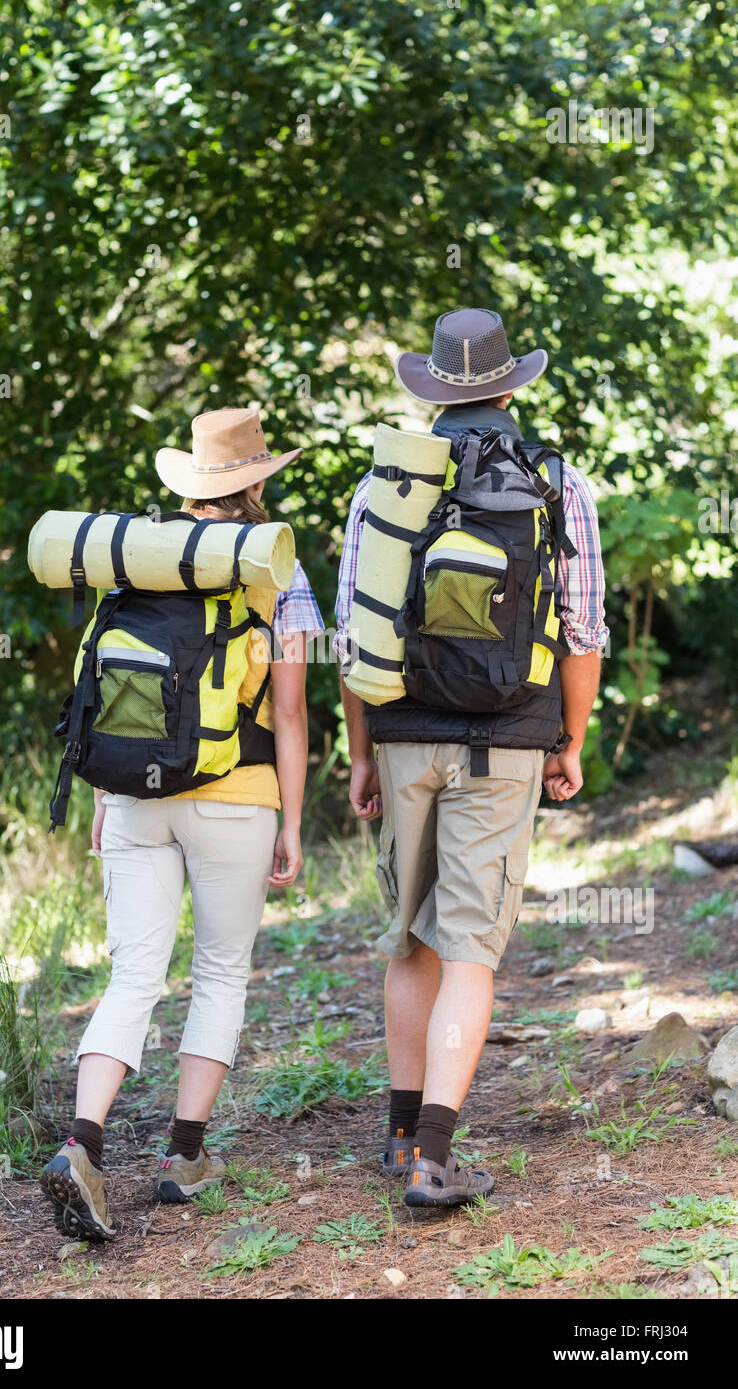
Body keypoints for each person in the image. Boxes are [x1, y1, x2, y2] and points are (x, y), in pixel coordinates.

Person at [335, 308, 608, 1207]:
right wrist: (569, 738)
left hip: (402, 733)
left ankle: (402, 1136)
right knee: (470, 952)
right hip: (507, 739)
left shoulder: (383, 488)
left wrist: (361, 754)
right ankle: (436, 1163)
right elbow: (582, 630)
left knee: (411, 941)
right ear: (510, 384)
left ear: (432, 392)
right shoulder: (557, 484)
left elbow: (355, 637)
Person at [41, 407, 323, 1239]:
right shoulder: (278, 572)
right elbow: (293, 711)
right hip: (236, 797)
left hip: (132, 793)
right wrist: (293, 820)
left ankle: (83, 1146)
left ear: (189, 488)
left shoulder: (134, 561)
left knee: (133, 975)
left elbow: (104, 692)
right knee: (221, 971)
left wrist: (103, 796)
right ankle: (183, 1157)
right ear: (259, 482)